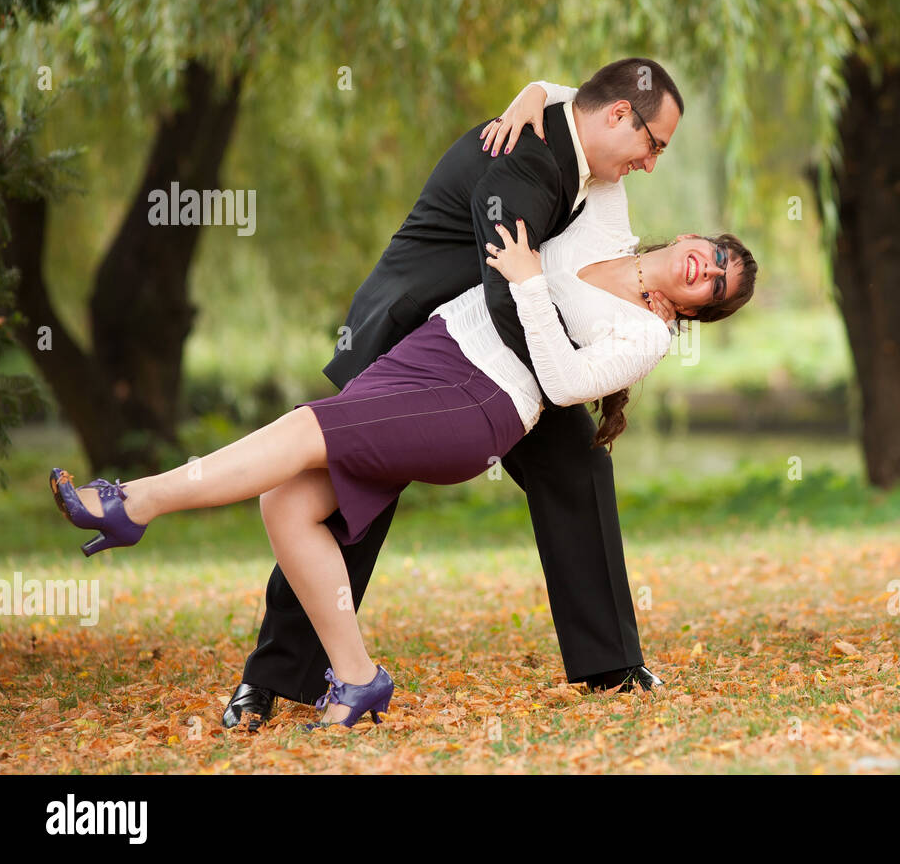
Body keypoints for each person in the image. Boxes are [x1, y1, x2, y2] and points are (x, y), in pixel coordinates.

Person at [50, 156, 758, 728]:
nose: (709, 268)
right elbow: (581, 128)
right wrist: (534, 95)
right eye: (718, 253)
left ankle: (133, 502)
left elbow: (568, 378)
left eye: (718, 285)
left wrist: (531, 282)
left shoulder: (647, 331)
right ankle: (337, 678)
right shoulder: (608, 220)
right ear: (696, 236)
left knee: (567, 469)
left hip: (495, 390)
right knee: (290, 504)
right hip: (441, 336)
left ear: (703, 311)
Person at [237, 58, 688, 728]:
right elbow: (510, 292)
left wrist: (539, 85)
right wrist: (560, 371)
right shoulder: (520, 149)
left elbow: (589, 98)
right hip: (418, 330)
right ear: (621, 117)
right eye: (654, 146)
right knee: (353, 495)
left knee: (579, 465)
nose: (652, 164)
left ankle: (611, 664)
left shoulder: (586, 156)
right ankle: (276, 678)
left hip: (504, 350)